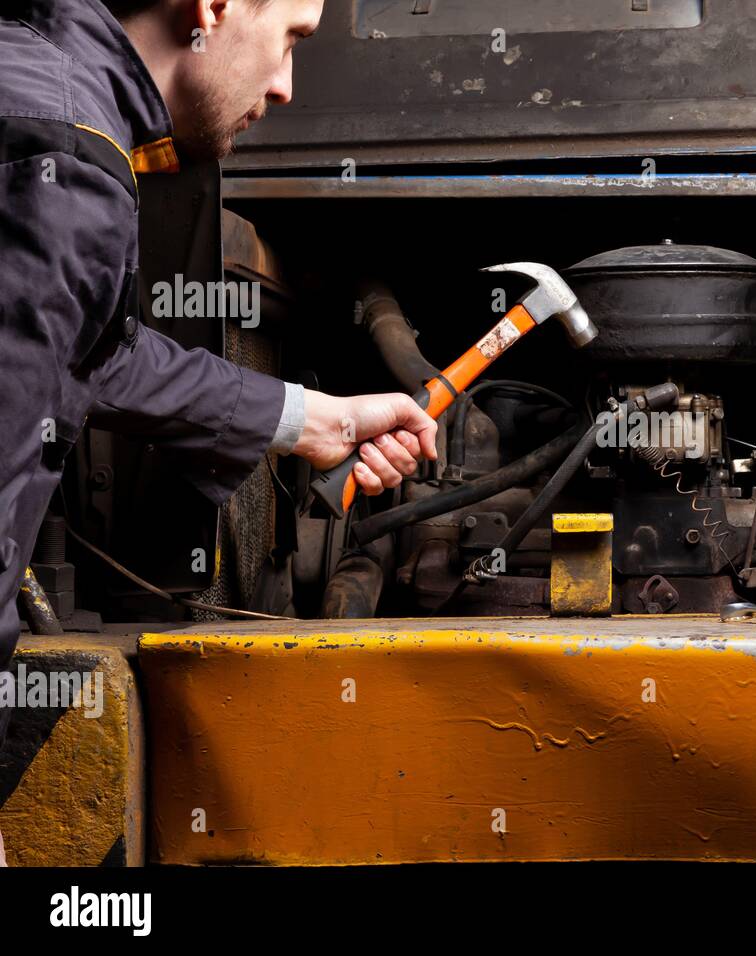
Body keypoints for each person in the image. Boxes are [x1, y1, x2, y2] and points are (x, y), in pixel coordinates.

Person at [0, 0, 435, 863]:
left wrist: (318, 418)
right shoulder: (61, 155)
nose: (281, 85)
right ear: (213, 7)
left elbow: (96, 356)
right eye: (291, 39)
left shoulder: (44, 87)